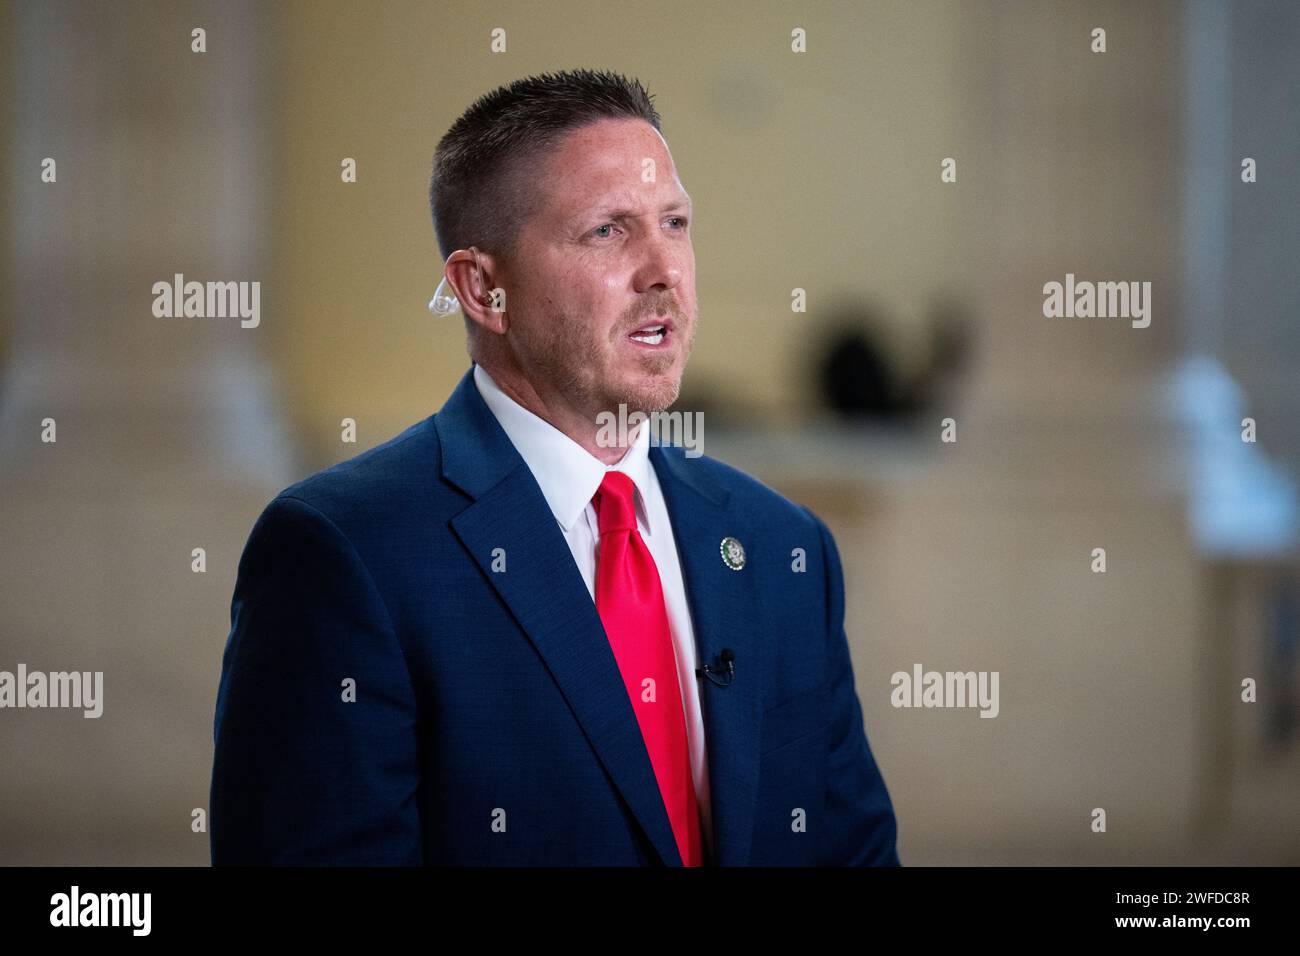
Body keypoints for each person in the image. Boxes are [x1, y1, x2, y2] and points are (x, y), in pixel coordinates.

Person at [210, 69, 900, 866]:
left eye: (674, 223)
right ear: (482, 288)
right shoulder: (345, 552)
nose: (663, 271)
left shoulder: (784, 547)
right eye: (607, 230)